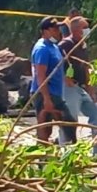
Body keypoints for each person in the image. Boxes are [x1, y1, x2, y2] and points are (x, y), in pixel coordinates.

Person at [58, 14, 97, 156]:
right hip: (68, 89)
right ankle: (67, 151)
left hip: (80, 88)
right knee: (70, 119)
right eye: (85, 28)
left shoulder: (83, 45)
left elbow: (85, 68)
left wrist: (90, 89)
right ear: (75, 30)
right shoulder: (65, 45)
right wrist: (64, 79)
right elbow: (54, 65)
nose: (88, 30)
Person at [30, 16, 76, 146]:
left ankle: (62, 154)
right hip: (45, 94)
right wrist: (46, 99)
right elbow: (40, 75)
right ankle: (42, 160)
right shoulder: (42, 49)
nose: (58, 31)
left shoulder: (54, 47)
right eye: (55, 29)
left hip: (55, 93)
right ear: (45, 31)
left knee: (61, 126)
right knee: (51, 127)